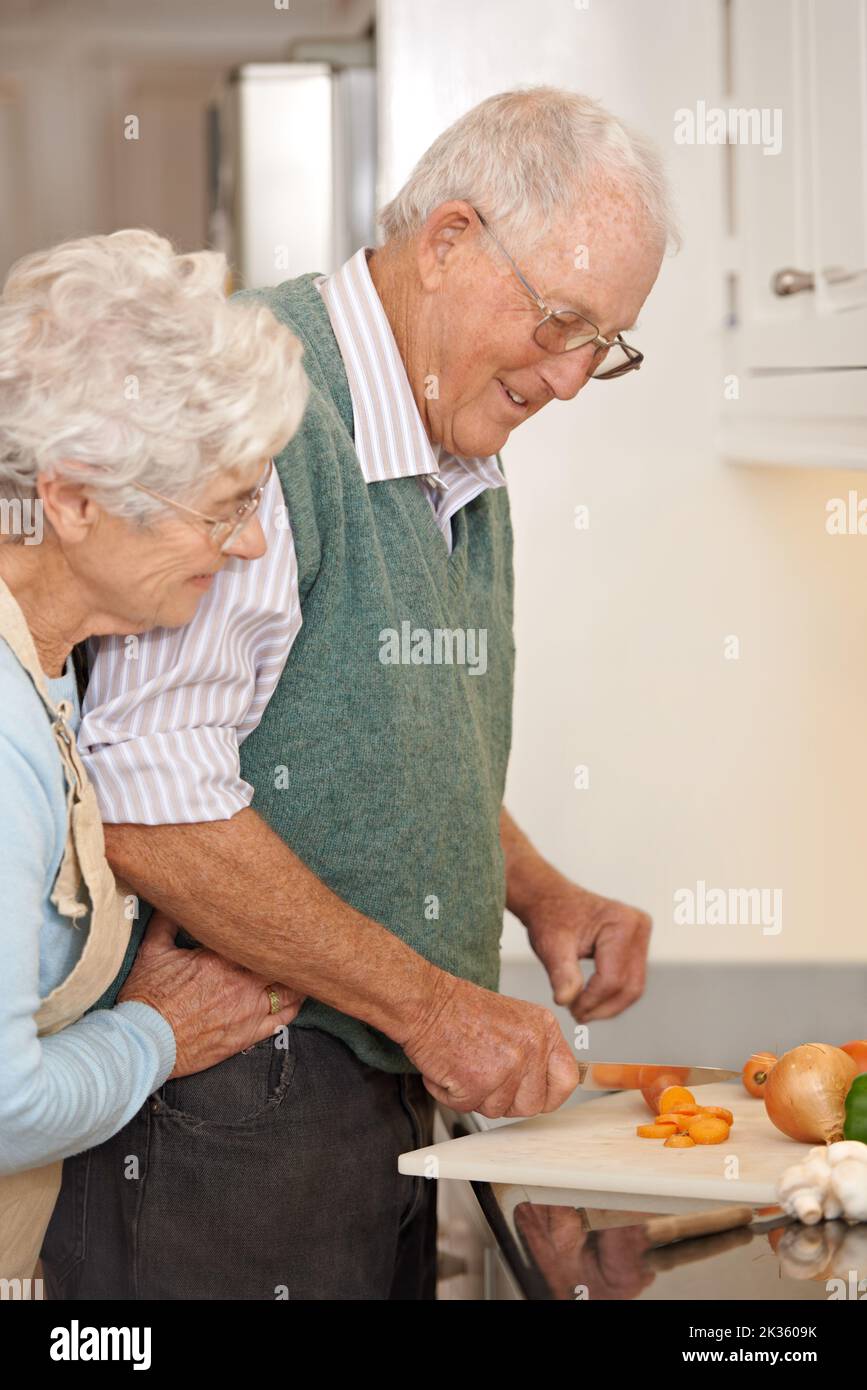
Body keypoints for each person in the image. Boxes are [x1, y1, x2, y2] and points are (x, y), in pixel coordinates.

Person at [45, 88, 671, 1301]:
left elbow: (370, 731)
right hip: (238, 1108)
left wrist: (534, 888)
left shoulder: (459, 444)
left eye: (609, 341)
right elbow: (150, 790)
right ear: (446, 243)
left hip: (369, 1088)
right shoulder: (259, 416)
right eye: (561, 320)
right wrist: (436, 1010)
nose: (575, 376)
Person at [0, 228, 308, 1286]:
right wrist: (158, 1035)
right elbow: (0, 1109)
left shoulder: (52, 664)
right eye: (225, 509)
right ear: (76, 497)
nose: (252, 547)